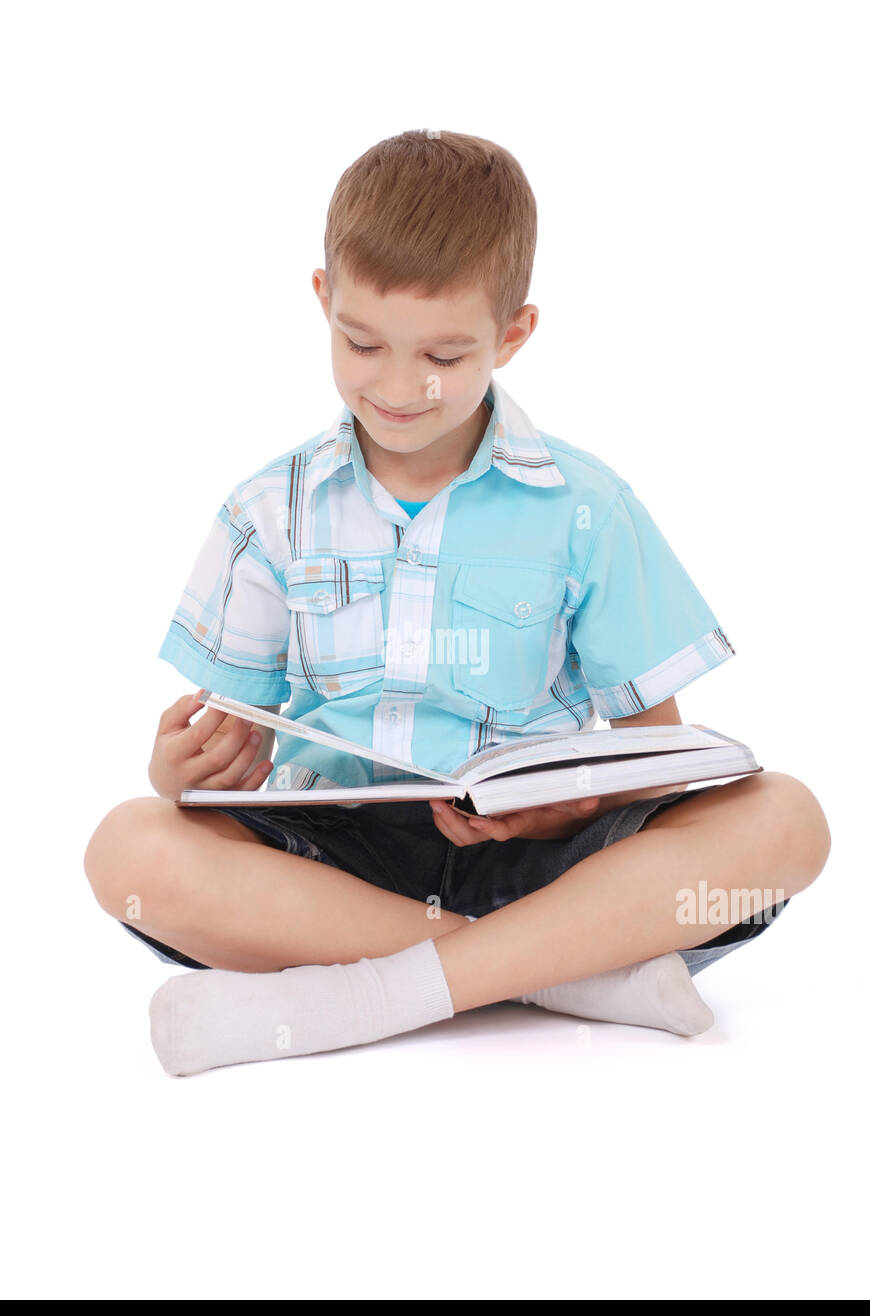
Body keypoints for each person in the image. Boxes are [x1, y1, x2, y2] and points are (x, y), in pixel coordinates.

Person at [83, 129, 831, 1076]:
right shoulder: (269, 510)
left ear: (512, 334)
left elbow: (658, 757)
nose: (398, 387)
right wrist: (179, 769)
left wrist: (565, 810)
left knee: (785, 820)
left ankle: (374, 991)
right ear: (323, 302)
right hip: (334, 863)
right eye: (362, 343)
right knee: (131, 849)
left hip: (541, 863)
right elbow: (222, 754)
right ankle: (565, 975)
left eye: (443, 352)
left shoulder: (586, 507)